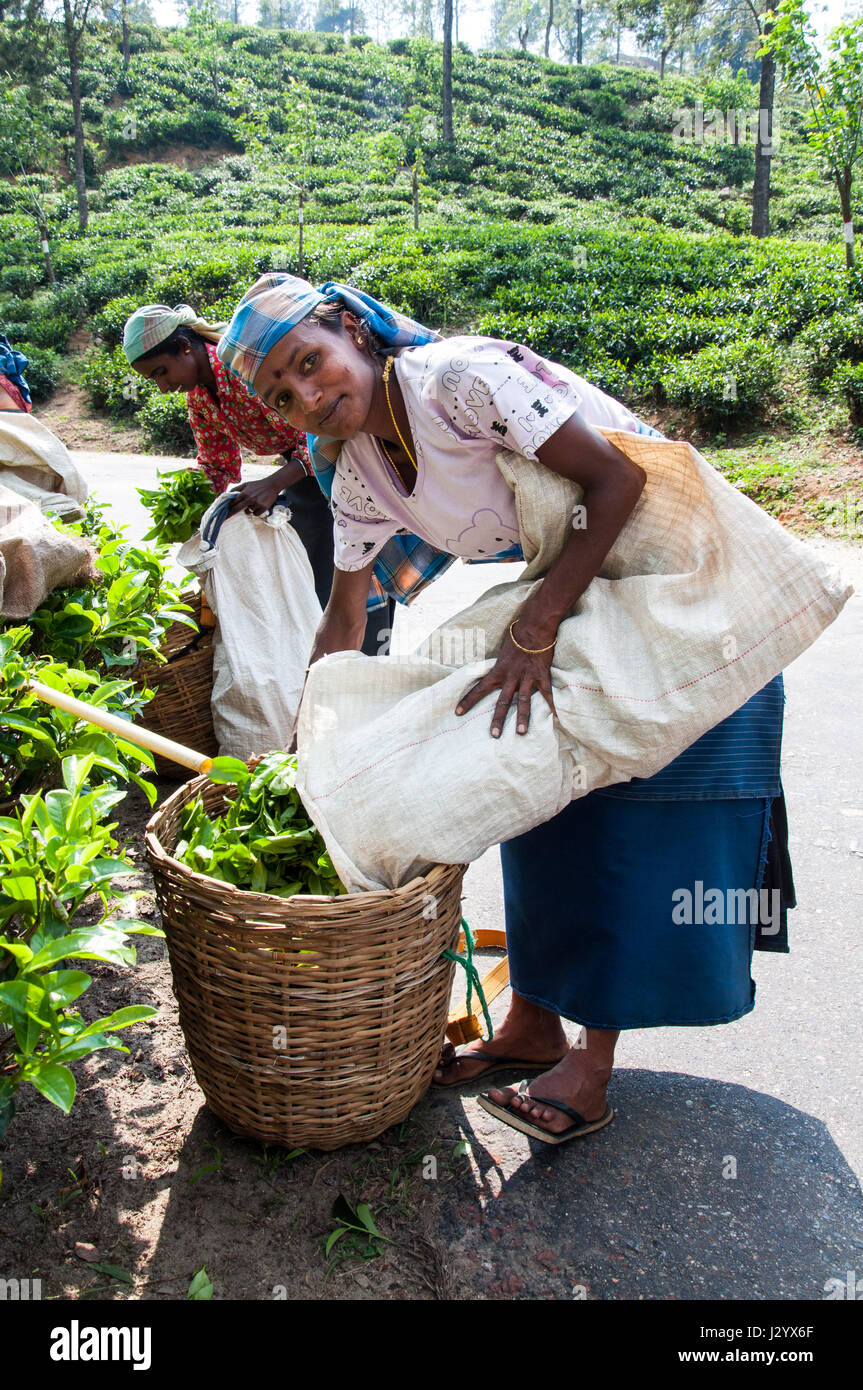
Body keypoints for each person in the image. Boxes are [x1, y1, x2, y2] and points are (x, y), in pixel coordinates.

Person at [216, 273, 794, 1146]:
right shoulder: (361, 476)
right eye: (281, 394)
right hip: (587, 602)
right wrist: (307, 738)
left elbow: (617, 481)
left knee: (624, 833)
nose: (309, 394)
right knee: (524, 790)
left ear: (349, 331)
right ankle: (532, 1024)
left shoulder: (458, 379)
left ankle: (591, 1072)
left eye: (310, 361)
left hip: (680, 593)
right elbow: (343, 619)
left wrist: (534, 625)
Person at [122, 302, 393, 652]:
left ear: (184, 348)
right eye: (153, 379)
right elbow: (217, 465)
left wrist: (273, 484)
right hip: (303, 478)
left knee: (349, 579)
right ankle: (339, 665)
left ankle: (369, 662)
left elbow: (319, 432)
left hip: (342, 461)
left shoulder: (242, 369)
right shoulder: (202, 398)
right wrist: (193, 507)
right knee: (318, 586)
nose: (162, 386)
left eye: (161, 371)